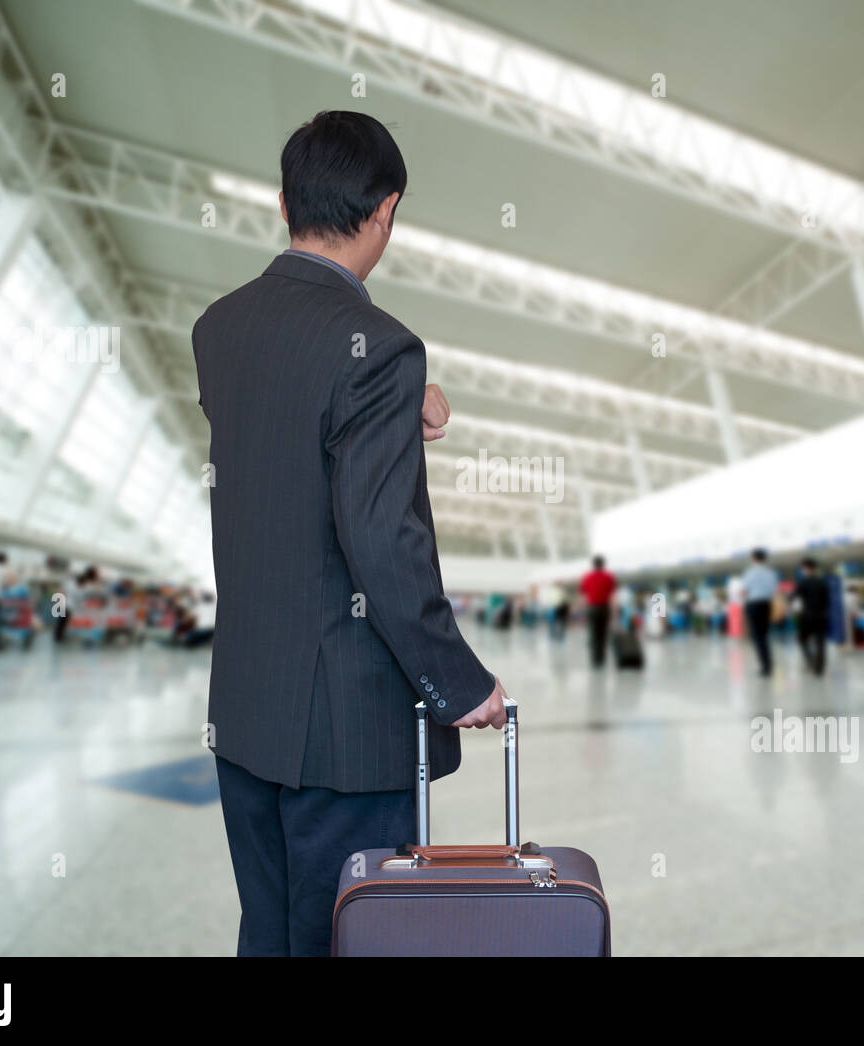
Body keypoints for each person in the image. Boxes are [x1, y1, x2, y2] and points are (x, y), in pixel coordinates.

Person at [193, 111, 506, 957]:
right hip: (348, 733)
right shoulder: (383, 349)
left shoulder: (218, 329)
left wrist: (406, 400)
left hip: (246, 712)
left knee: (271, 933)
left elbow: (287, 425)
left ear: (284, 199)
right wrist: (457, 681)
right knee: (349, 937)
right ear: (385, 211)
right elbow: (378, 536)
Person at [742, 549, 779, 676]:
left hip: (754, 605)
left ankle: (765, 667)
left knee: (758, 638)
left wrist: (743, 595)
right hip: (767, 605)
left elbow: (744, 591)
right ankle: (768, 664)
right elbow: (774, 591)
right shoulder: (771, 573)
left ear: (753, 558)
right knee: (764, 636)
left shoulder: (749, 573)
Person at [793, 558, 830, 676]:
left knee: (802, 639)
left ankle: (810, 660)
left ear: (805, 568)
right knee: (820, 643)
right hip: (821, 615)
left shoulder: (803, 582)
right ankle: (819, 669)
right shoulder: (822, 582)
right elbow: (827, 600)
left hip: (807, 616)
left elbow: (794, 597)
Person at [579, 555, 617, 667]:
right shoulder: (609, 577)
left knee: (593, 633)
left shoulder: (587, 577)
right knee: (603, 634)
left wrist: (581, 609)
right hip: (604, 608)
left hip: (591, 608)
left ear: (593, 564)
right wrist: (615, 611)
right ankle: (601, 659)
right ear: (603, 564)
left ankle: (595, 660)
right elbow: (613, 596)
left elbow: (583, 595)